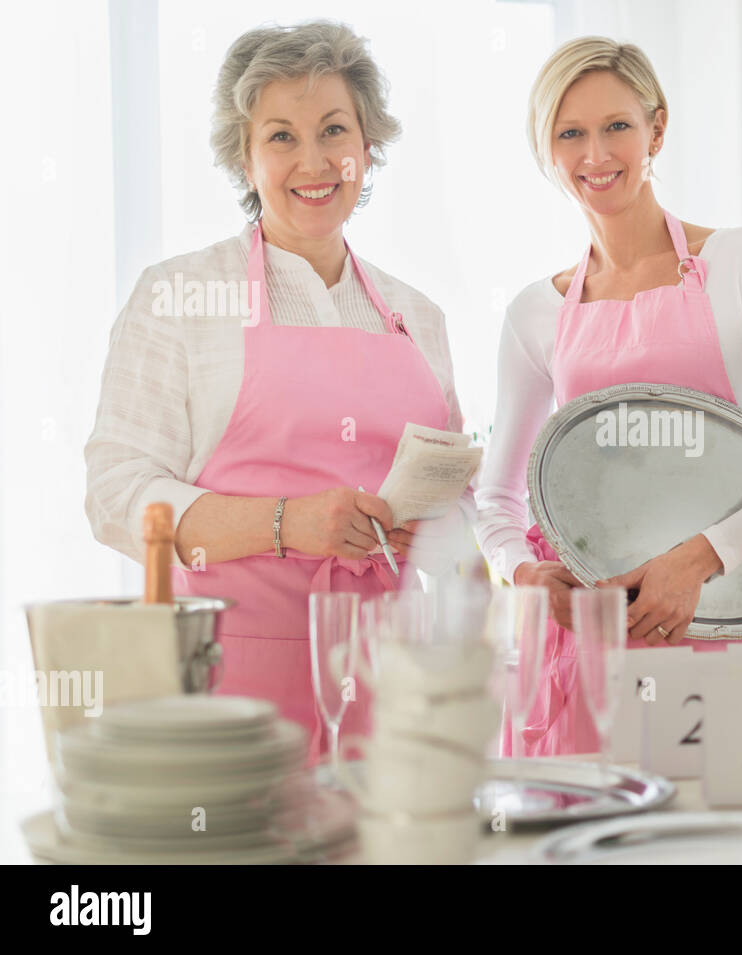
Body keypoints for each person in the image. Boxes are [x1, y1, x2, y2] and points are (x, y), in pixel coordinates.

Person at [84, 21, 474, 760]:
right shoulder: (181, 295)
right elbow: (115, 494)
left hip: (397, 698)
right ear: (245, 155)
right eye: (281, 136)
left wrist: (436, 532)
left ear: (368, 145)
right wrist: (286, 522)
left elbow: (456, 521)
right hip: (233, 697)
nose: (315, 161)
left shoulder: (419, 317)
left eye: (334, 130)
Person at [475, 36, 742, 756]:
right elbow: (494, 500)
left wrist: (699, 559)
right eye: (571, 134)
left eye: (617, 126)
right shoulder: (535, 312)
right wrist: (527, 574)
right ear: (548, 152)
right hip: (581, 644)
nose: (596, 154)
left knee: (722, 841)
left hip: (722, 619)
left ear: (657, 129)